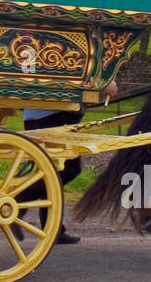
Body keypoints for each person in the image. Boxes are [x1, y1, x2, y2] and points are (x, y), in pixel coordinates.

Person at [15, 79, 118, 244]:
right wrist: (102, 82)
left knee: (53, 171)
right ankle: (18, 201)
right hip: (53, 113)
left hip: (38, 113)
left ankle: (53, 229)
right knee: (69, 169)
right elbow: (77, 69)